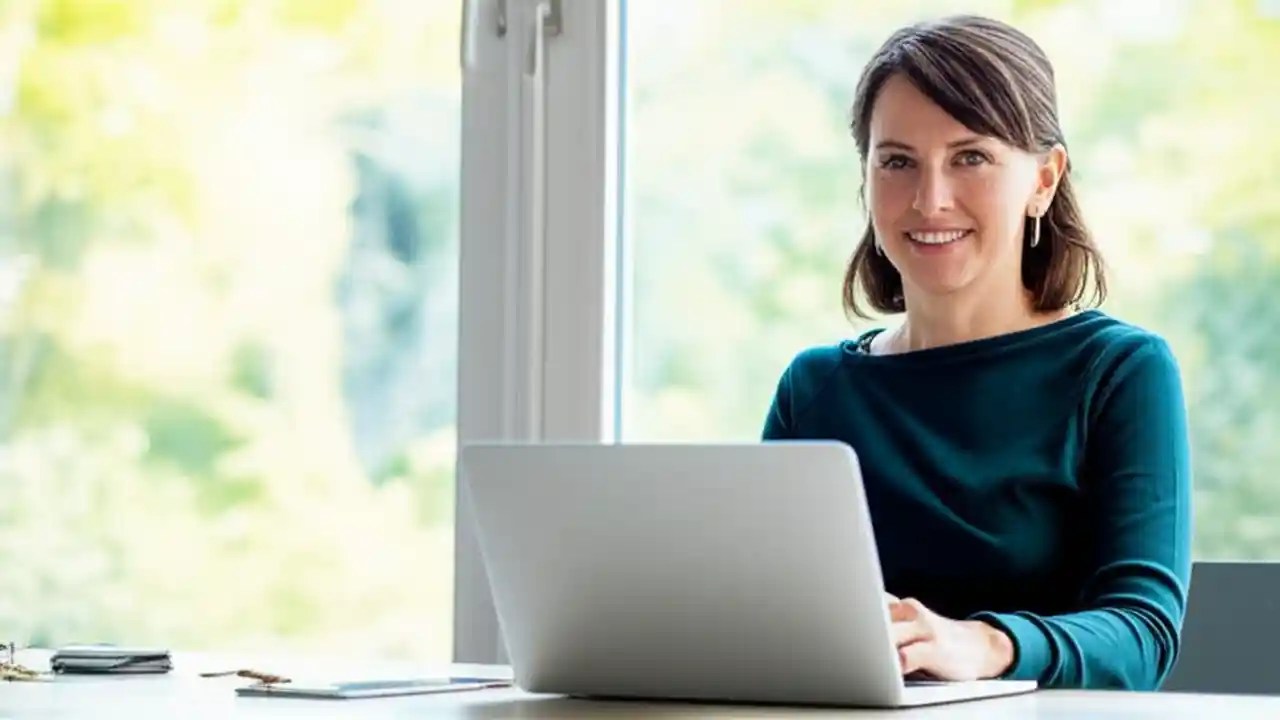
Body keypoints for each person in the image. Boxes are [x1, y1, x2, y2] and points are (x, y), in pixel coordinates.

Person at [762, 15, 1191, 691]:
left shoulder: (1118, 371)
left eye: (970, 158)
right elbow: (763, 612)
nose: (930, 200)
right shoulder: (813, 388)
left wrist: (987, 645)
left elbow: (1143, 632)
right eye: (897, 161)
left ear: (1044, 180)